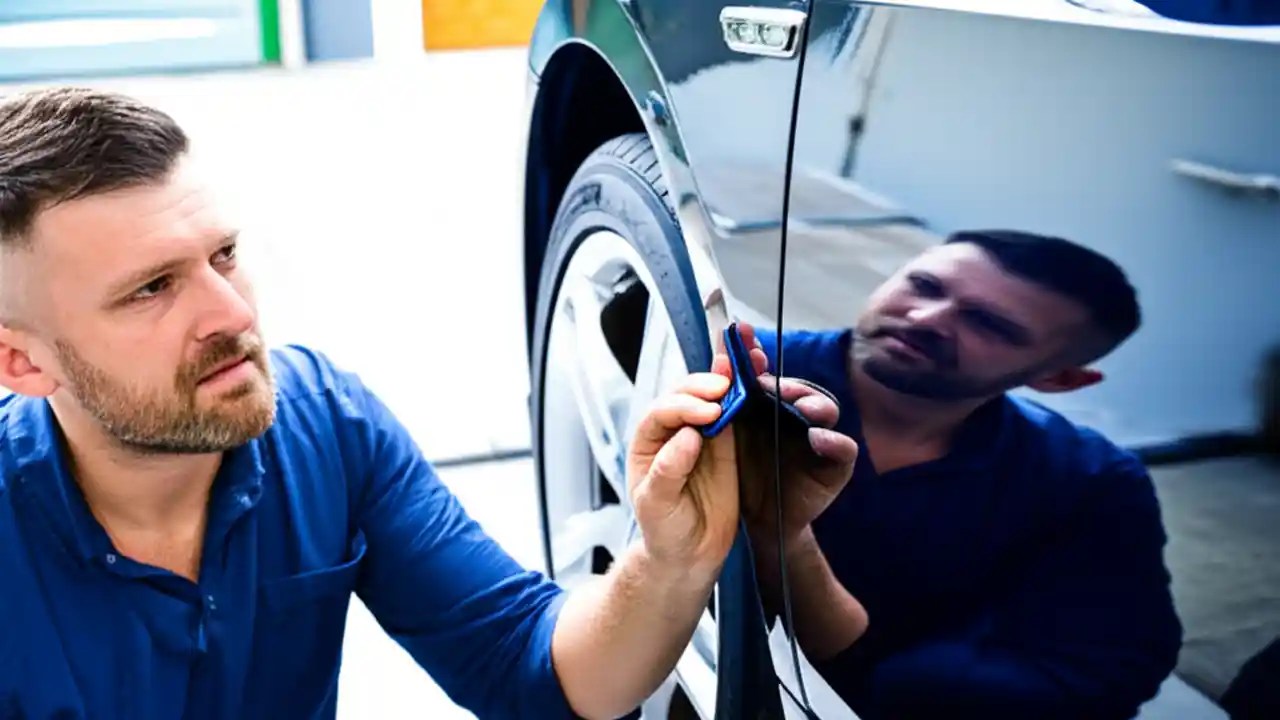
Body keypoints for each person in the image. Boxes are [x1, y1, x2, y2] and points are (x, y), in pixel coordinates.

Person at [0, 87, 857, 719]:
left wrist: (670, 559)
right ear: (20, 361)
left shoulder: (326, 425)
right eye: (150, 289)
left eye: (222, 256)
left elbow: (535, 674)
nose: (232, 316)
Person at [744, 230, 1184, 719]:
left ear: (1060, 379)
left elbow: (1105, 669)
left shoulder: (1089, 480)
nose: (926, 318)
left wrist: (898, 686)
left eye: (990, 324)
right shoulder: (729, 369)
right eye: (925, 285)